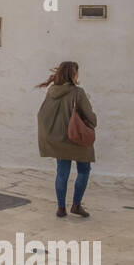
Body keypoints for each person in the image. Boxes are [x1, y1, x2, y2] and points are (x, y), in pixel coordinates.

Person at [36, 61, 97, 218]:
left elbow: (42, 114)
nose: (78, 76)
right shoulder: (78, 93)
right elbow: (90, 118)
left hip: (59, 141)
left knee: (62, 173)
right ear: (72, 74)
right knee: (84, 171)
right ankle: (76, 205)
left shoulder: (51, 91)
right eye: (77, 72)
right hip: (78, 140)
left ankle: (61, 208)